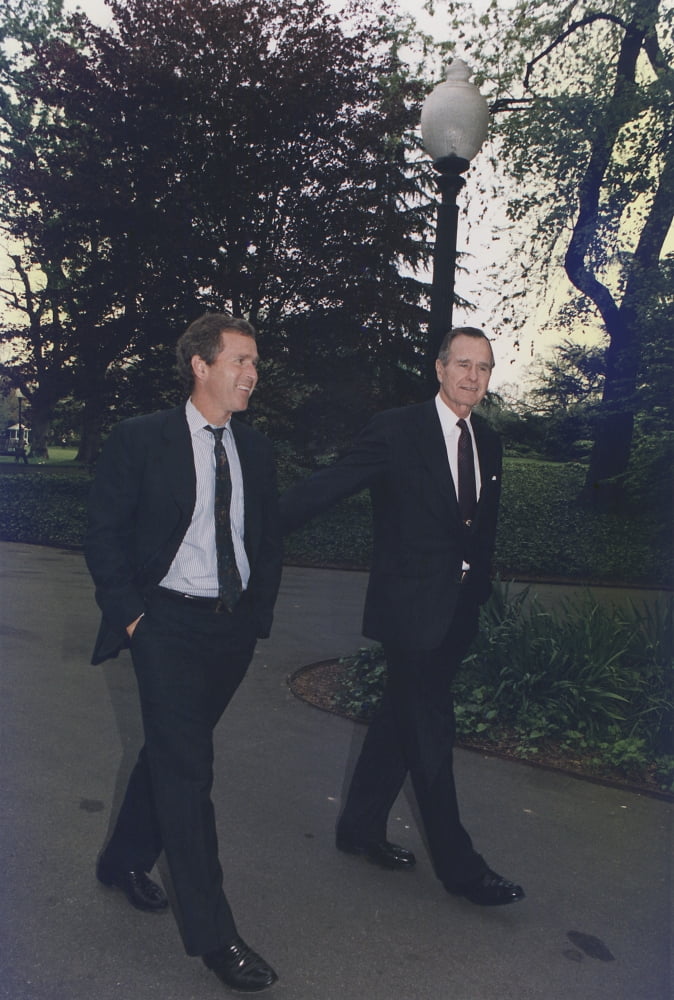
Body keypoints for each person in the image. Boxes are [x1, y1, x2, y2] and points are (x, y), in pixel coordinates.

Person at [280, 327, 525, 907]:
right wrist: (248, 527)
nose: (472, 376)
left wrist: (479, 585)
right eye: (462, 364)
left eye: (483, 368)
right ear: (439, 369)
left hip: (458, 612)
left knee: (399, 718)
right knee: (430, 730)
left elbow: (478, 525)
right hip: (408, 615)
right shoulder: (397, 429)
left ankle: (359, 828)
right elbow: (327, 487)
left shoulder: (487, 440)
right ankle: (462, 868)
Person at [85, 313, 282, 993]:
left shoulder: (254, 450)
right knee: (188, 771)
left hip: (227, 628)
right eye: (239, 361)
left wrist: (257, 613)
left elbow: (268, 536)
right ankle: (216, 937)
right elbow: (104, 534)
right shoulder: (141, 439)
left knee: (171, 750)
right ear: (200, 366)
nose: (251, 374)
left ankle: (123, 859)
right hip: (163, 623)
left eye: (255, 362)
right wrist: (133, 618)